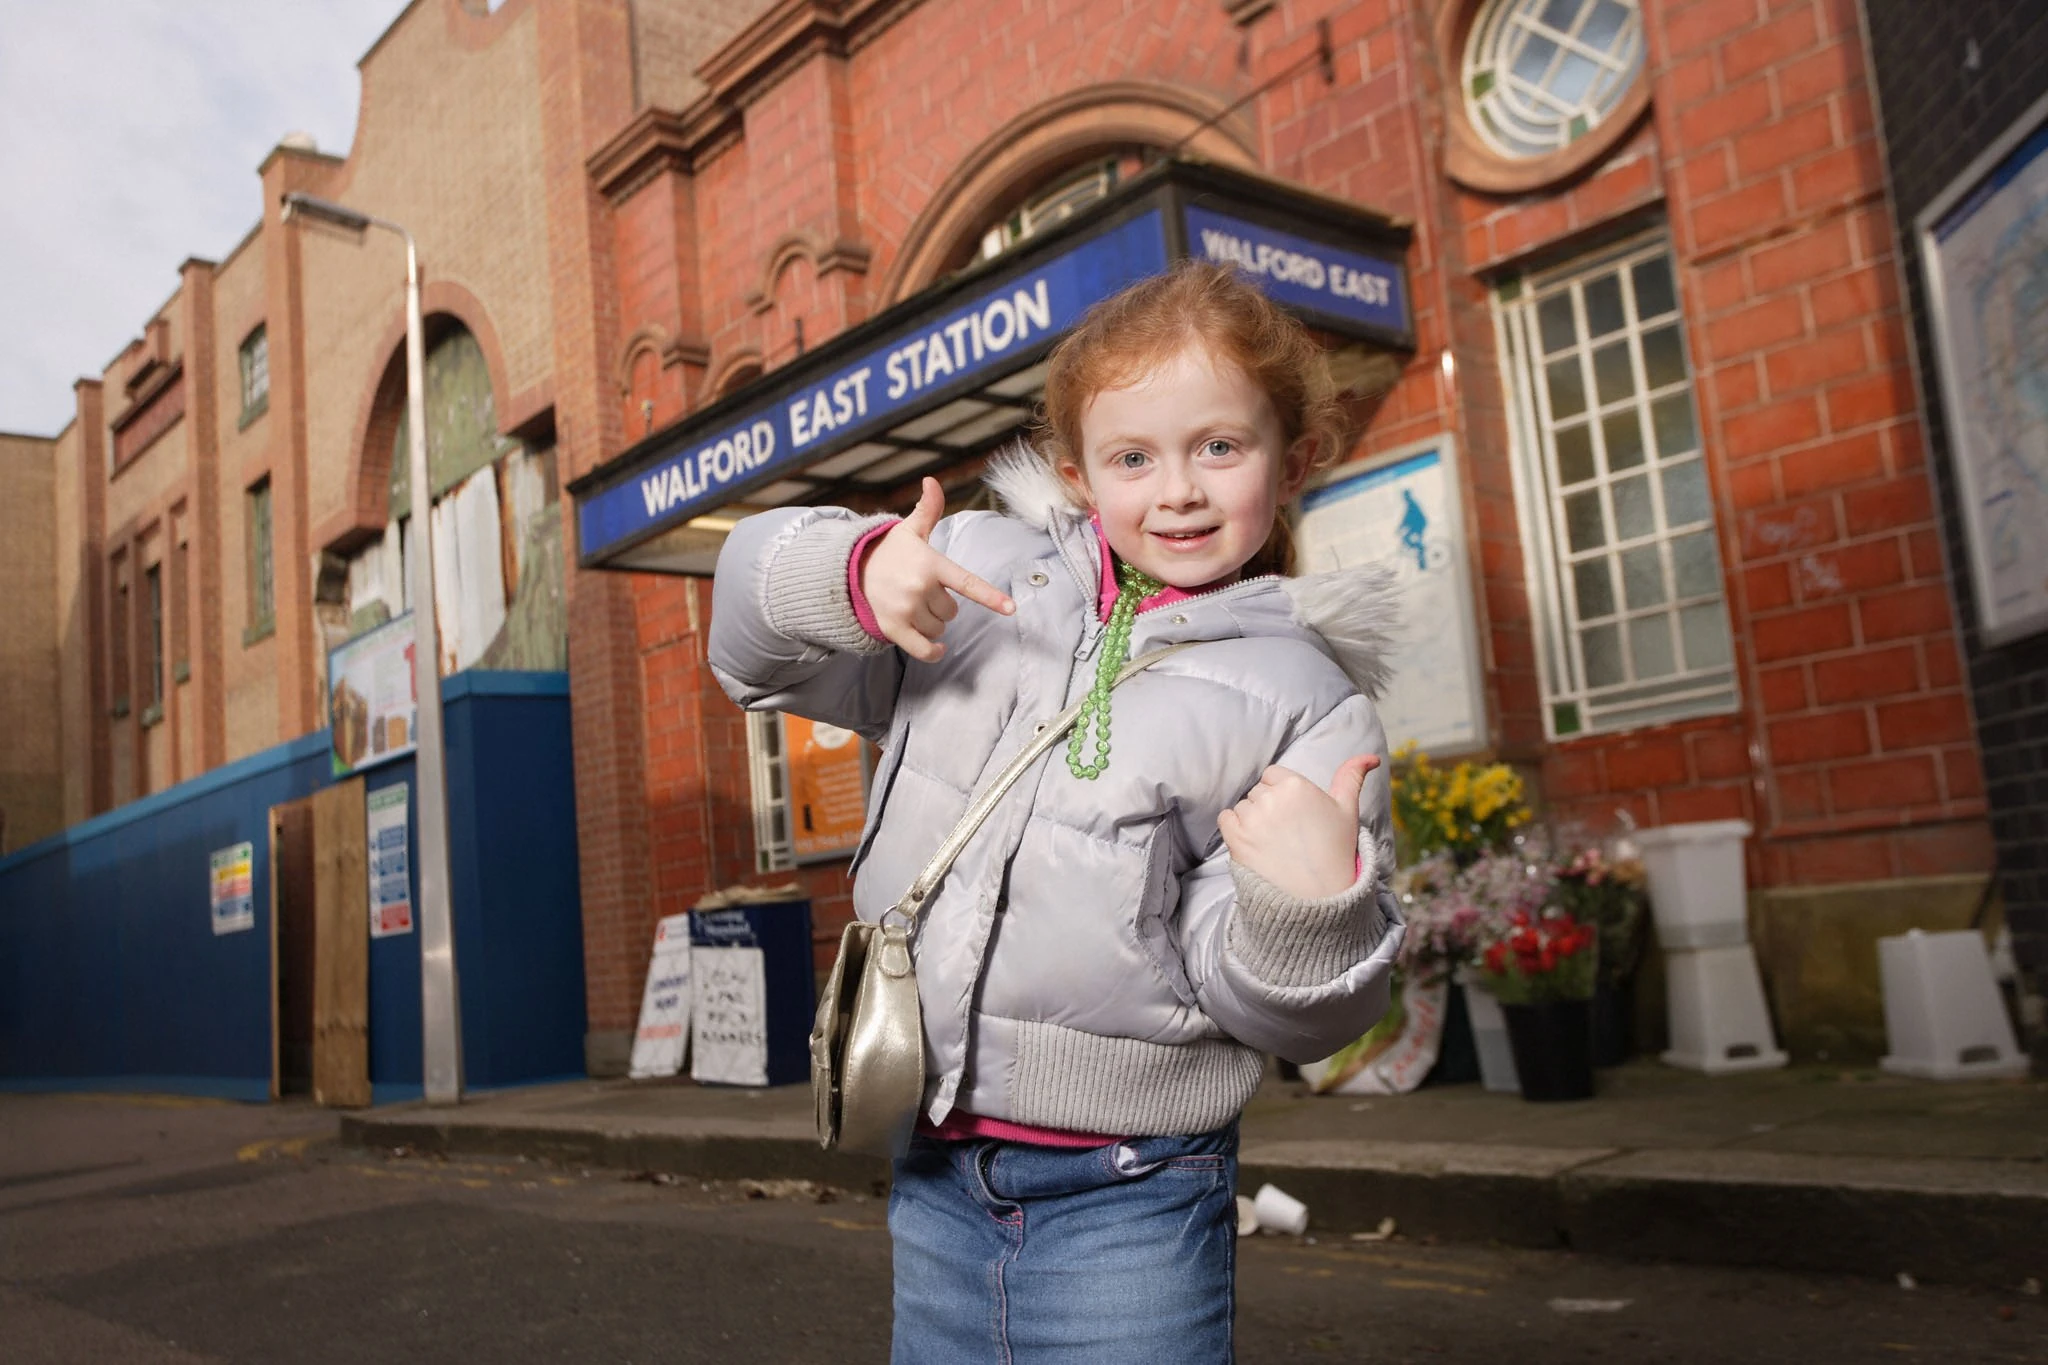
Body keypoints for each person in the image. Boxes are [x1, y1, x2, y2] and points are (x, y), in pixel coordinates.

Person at [709, 260, 1403, 1363]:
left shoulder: (1306, 701)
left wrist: (1310, 909)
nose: (1175, 490)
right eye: (1133, 458)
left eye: (1218, 447)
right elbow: (751, 655)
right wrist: (847, 576)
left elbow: (1291, 1014)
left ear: (1293, 459)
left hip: (1133, 1185)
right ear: (1078, 474)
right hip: (931, 1159)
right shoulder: (973, 573)